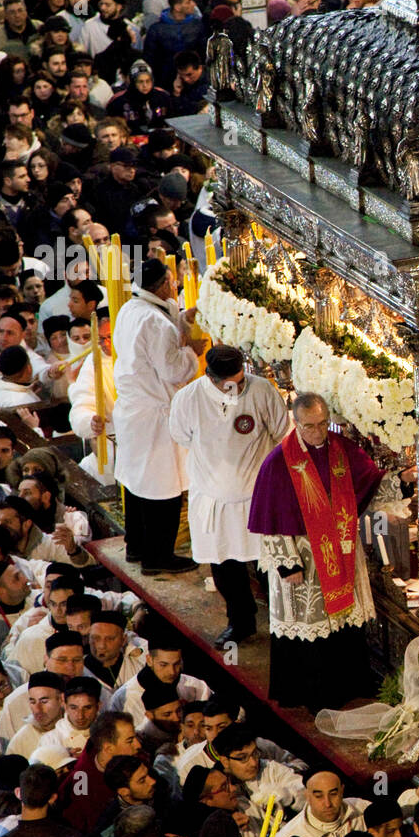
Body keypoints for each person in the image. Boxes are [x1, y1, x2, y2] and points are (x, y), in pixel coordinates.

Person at [247, 392, 414, 710]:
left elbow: (370, 485)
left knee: (345, 624)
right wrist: (287, 564)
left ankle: (351, 684)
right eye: (309, 426)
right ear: (296, 422)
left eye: (323, 424)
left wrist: (401, 480)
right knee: (312, 626)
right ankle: (315, 693)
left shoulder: (342, 449)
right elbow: (272, 520)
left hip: (344, 550)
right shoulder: (279, 462)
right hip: (305, 561)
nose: (318, 432)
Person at [169, 345, 289, 648]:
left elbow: (280, 433)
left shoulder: (261, 390)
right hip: (213, 500)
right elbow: (180, 435)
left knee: (269, 566)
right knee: (225, 569)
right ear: (209, 377)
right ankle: (241, 623)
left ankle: (283, 624)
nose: (235, 388)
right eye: (227, 384)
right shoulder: (188, 398)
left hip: (257, 497)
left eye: (239, 380)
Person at [112, 259, 206, 574]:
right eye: (172, 281)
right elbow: (173, 369)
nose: (175, 286)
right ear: (164, 284)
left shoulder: (130, 308)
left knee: (137, 485)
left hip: (132, 410)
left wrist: (182, 318)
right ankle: (158, 558)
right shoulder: (158, 323)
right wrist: (192, 349)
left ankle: (136, 548)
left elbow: (155, 338)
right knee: (163, 489)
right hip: (154, 414)